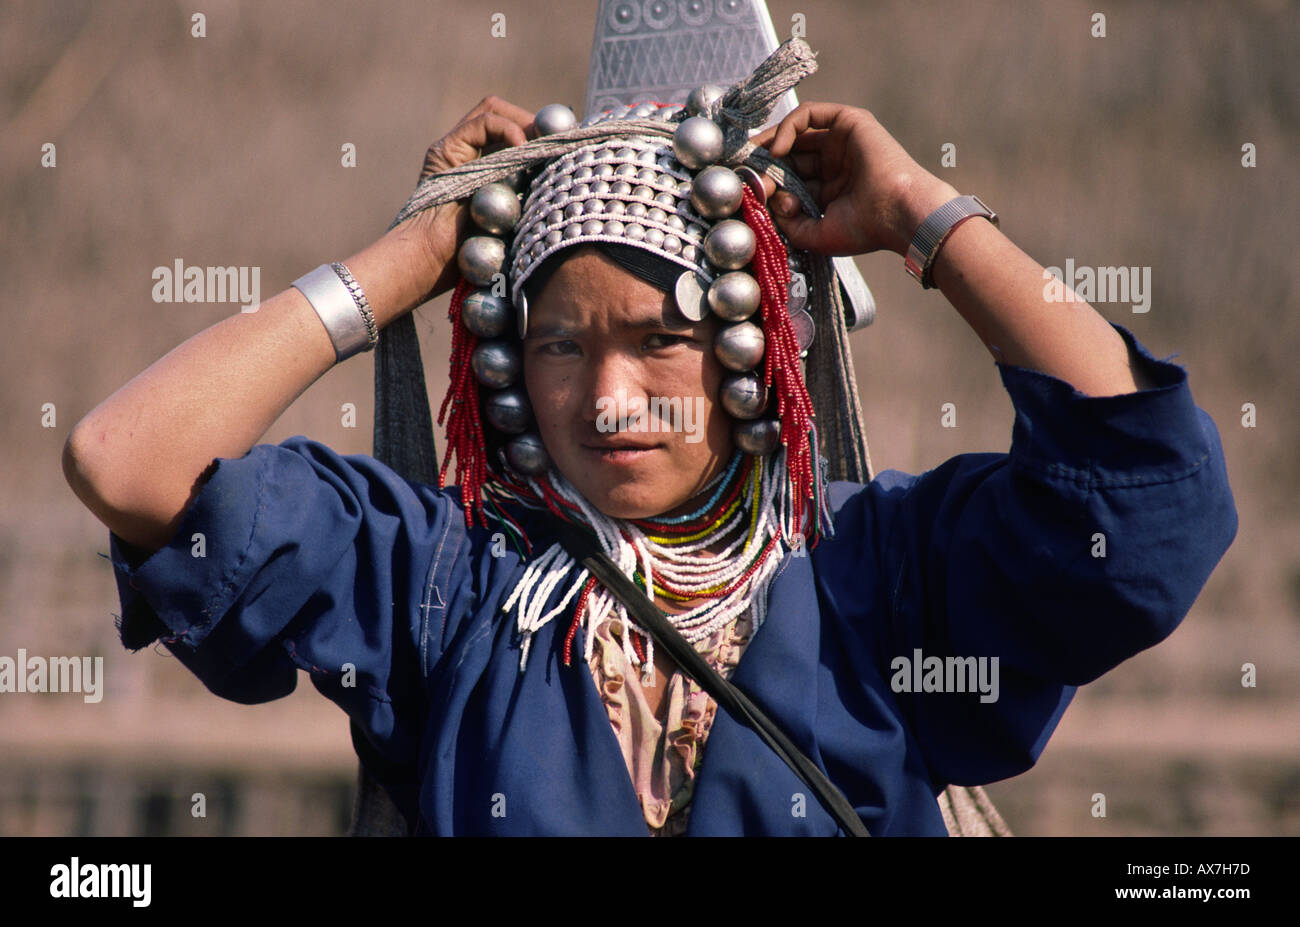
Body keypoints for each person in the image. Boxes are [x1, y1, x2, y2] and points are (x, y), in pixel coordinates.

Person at [63, 44, 1238, 835]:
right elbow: (126, 462)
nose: (610, 400)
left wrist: (921, 217)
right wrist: (406, 262)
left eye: (663, 340)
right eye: (560, 348)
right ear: (510, 368)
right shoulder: (448, 588)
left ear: (748, 353)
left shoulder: (878, 579)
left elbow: (1145, 497)